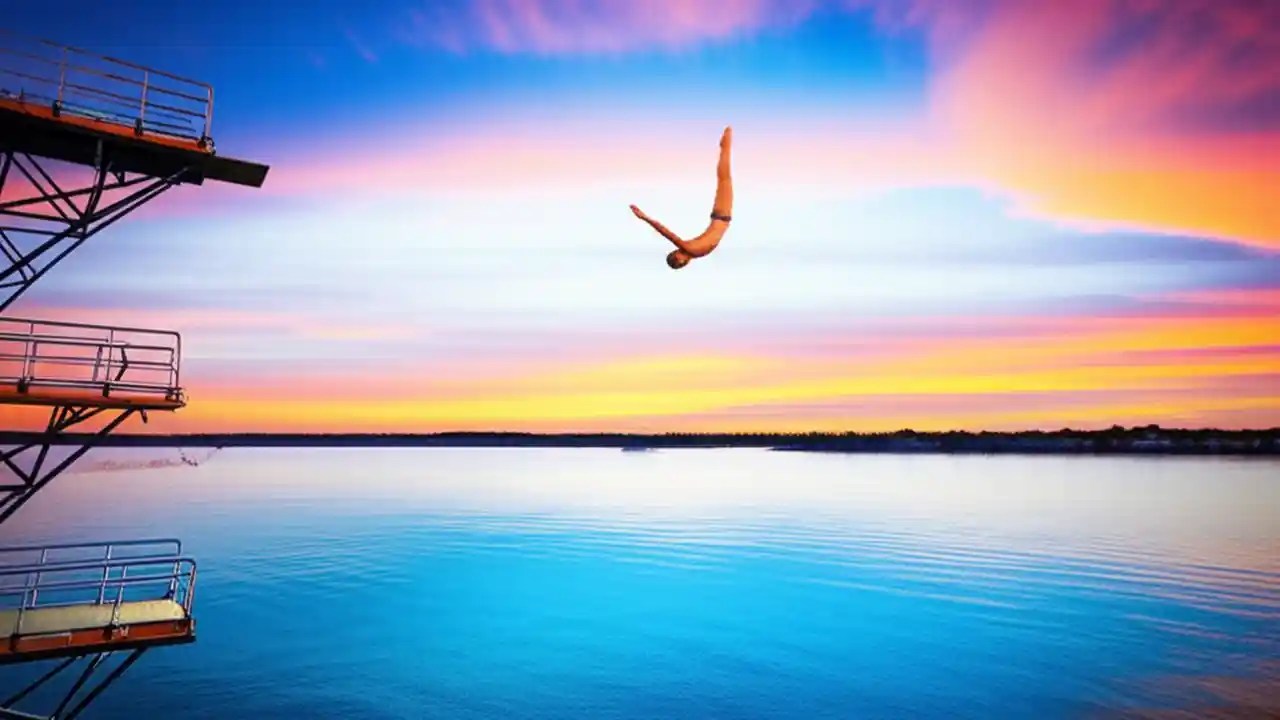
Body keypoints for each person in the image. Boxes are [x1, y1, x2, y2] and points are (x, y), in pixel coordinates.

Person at [630, 126, 733, 270]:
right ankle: (725, 144)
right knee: (724, 178)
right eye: (679, 258)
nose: (680, 253)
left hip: (722, 215)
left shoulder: (690, 250)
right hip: (720, 216)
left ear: (679, 257)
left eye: (678, 255)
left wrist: (645, 218)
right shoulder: (696, 253)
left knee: (724, 178)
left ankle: (726, 141)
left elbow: (668, 234)